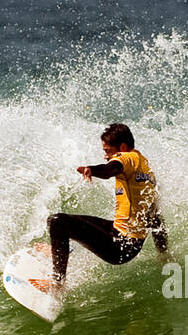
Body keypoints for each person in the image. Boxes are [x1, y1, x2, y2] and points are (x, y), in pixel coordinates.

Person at [33, 123, 167, 296]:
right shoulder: (145, 169)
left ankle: (57, 285)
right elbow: (155, 217)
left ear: (123, 147)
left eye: (108, 151)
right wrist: (163, 252)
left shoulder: (126, 158)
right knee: (72, 223)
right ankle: (62, 250)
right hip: (123, 236)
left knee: (57, 221)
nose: (105, 155)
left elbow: (110, 169)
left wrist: (92, 170)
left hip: (121, 248)